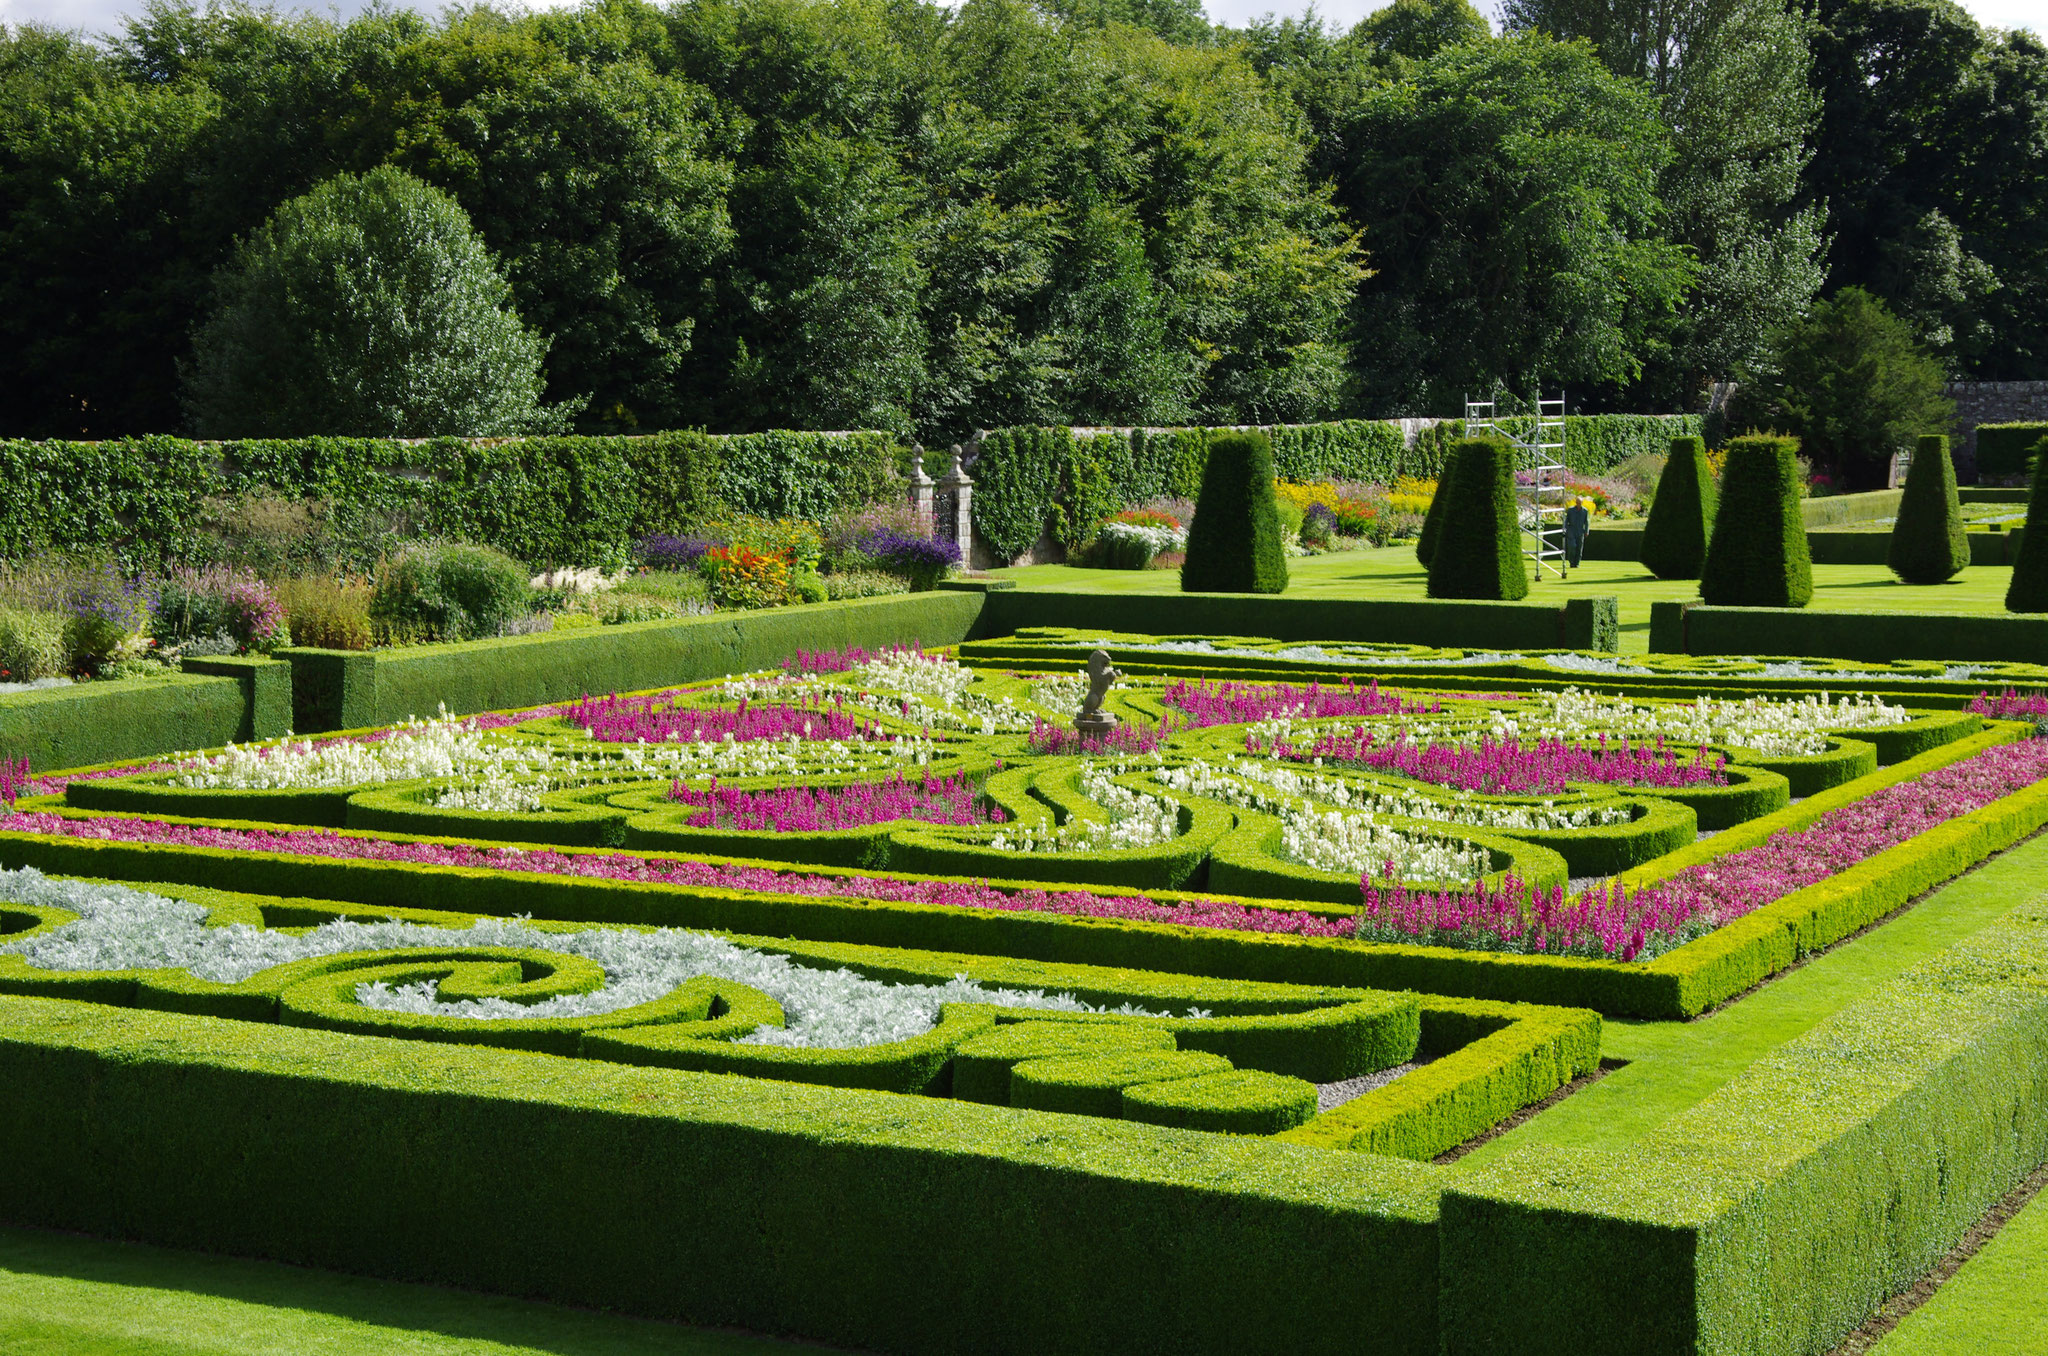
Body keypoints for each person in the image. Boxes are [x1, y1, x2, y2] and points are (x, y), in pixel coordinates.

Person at [1563, 497, 1592, 570]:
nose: (1578, 504)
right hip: (1571, 531)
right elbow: (1566, 520)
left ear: (1582, 503)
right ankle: (1571, 562)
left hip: (1580, 531)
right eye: (1577, 502)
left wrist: (1586, 531)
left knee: (1579, 548)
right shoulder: (1570, 510)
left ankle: (1577, 563)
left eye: (1580, 503)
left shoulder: (1585, 511)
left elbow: (1587, 522)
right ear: (1575, 503)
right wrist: (1564, 529)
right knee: (1572, 546)